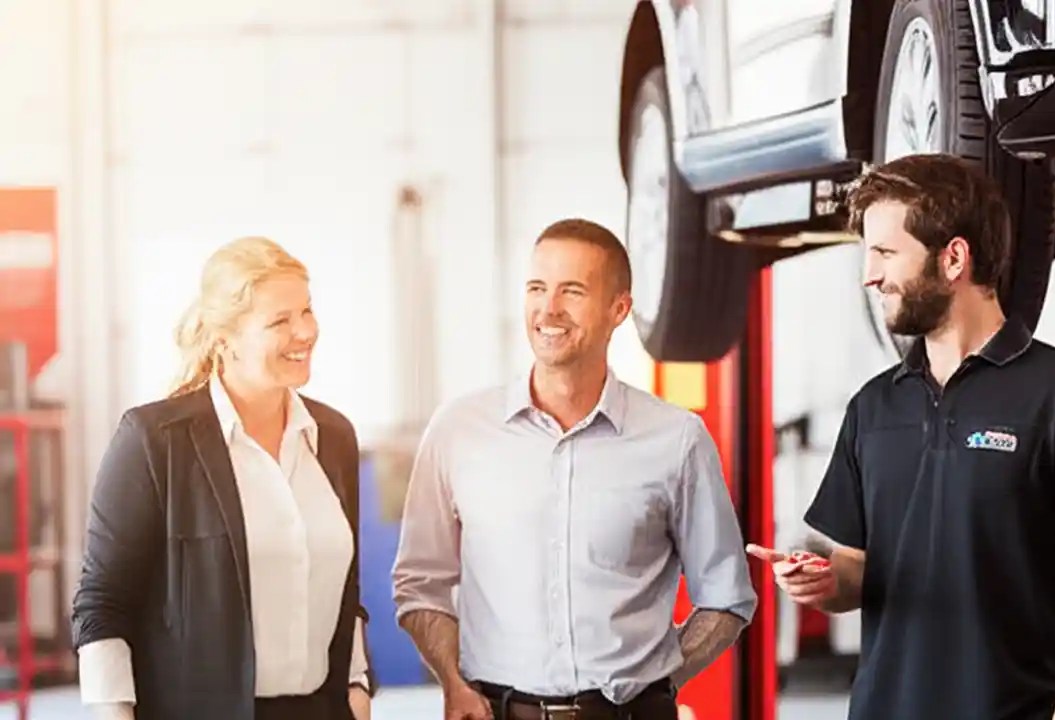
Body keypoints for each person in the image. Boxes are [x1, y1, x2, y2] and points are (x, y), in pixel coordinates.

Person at [747, 154, 1055, 720]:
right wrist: (822, 581)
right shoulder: (873, 408)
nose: (869, 275)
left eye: (886, 253)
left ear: (953, 258)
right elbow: (856, 569)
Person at [392, 218, 758, 720]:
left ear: (619, 309)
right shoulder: (459, 430)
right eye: (536, 288)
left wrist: (655, 683)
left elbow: (727, 597)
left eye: (572, 291)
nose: (549, 309)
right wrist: (453, 682)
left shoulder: (676, 439)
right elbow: (419, 583)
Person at [70, 237, 373, 720]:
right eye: (280, 321)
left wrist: (357, 685)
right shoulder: (155, 440)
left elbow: (345, 586)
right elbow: (102, 603)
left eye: (307, 311)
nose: (305, 331)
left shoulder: (333, 436)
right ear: (224, 338)